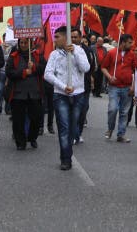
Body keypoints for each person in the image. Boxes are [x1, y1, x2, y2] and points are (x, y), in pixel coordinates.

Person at [44, 26, 90, 170]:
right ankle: (65, 158)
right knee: (64, 127)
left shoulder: (80, 50)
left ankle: (68, 152)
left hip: (78, 95)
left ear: (65, 37)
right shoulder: (54, 55)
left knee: (72, 127)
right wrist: (63, 86)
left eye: (57, 36)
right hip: (61, 95)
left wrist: (74, 52)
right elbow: (48, 74)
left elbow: (86, 68)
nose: (55, 39)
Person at [6, 37, 45, 150]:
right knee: (18, 119)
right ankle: (20, 142)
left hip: (35, 92)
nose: (23, 45)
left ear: (31, 44)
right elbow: (9, 72)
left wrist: (34, 67)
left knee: (36, 117)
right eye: (21, 43)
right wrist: (23, 72)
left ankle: (32, 137)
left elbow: (44, 69)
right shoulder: (13, 56)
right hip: (18, 93)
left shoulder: (37, 55)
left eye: (25, 43)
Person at [100, 33, 137, 143]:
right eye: (129, 43)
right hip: (114, 87)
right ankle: (110, 129)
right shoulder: (112, 53)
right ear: (123, 42)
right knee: (113, 109)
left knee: (124, 112)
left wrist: (133, 86)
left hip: (127, 87)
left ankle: (121, 134)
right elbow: (103, 67)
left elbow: (136, 71)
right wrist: (109, 77)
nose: (132, 45)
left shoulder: (132, 55)